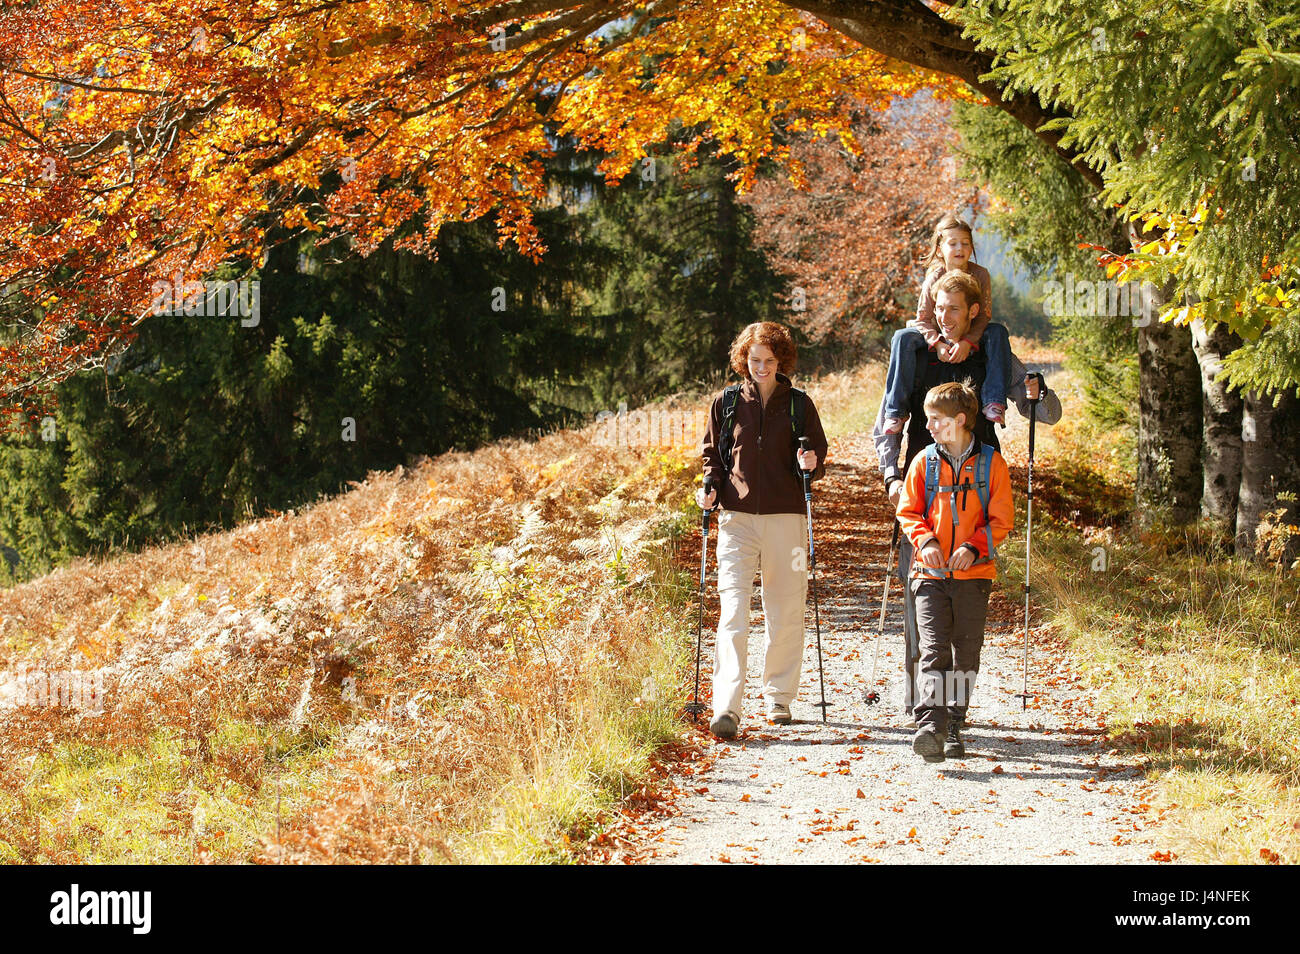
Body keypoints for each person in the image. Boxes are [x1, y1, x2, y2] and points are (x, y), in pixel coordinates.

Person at [872, 268, 1062, 722]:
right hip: (923, 481)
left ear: (972, 311)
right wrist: (890, 474)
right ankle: (926, 710)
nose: (945, 318)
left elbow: (1047, 413)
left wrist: (1040, 391)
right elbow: (887, 418)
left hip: (979, 481)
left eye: (953, 309)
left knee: (965, 614)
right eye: (939, 309)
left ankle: (953, 711)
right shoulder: (916, 350)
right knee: (923, 597)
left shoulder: (991, 349)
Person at [697, 322, 829, 739]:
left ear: (781, 361)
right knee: (733, 612)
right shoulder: (727, 402)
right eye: (755, 360)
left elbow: (818, 455)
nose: (762, 367)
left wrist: (811, 464)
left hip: (787, 518)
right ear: (743, 360)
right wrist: (710, 488)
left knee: (786, 609)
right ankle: (727, 707)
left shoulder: (799, 404)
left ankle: (779, 698)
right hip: (736, 520)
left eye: (769, 361)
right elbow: (712, 456)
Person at [896, 381, 1013, 762]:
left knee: (966, 654)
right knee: (932, 650)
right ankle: (930, 724)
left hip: (973, 577)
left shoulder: (992, 464)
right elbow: (908, 512)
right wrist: (925, 542)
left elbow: (1002, 520)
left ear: (960, 420)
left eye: (935, 419)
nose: (928, 426)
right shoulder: (922, 462)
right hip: (929, 577)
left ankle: (955, 726)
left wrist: (973, 547)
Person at [883, 215, 1013, 433]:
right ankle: (896, 412)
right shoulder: (934, 277)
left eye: (965, 243)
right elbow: (923, 318)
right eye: (952, 243)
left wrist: (968, 342)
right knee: (902, 337)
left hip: (969, 331)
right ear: (940, 248)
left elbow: (983, 316)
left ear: (971, 247)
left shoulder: (981, 275)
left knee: (998, 332)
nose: (959, 248)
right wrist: (938, 343)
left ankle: (994, 401)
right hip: (937, 334)